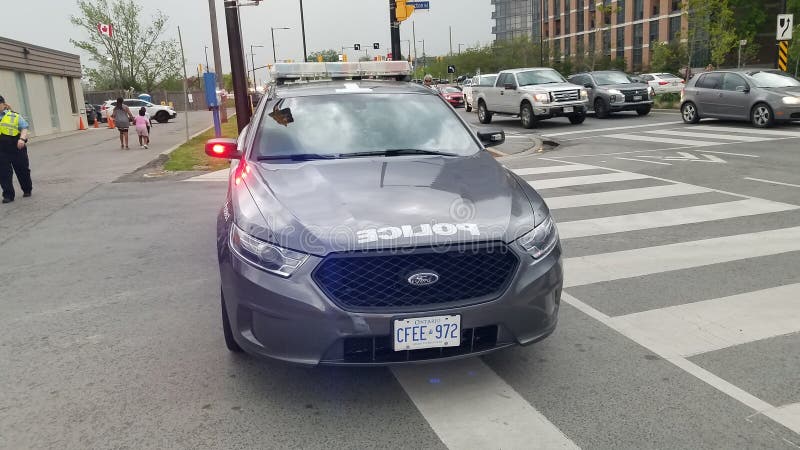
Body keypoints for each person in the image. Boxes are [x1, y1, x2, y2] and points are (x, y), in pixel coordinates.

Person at [0, 95, 32, 204]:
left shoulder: (14, 116)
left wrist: (22, 139)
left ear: (3, 104)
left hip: (16, 147)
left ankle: (27, 189)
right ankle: (8, 195)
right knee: (3, 173)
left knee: (22, 170)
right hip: (1, 150)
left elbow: (24, 128)